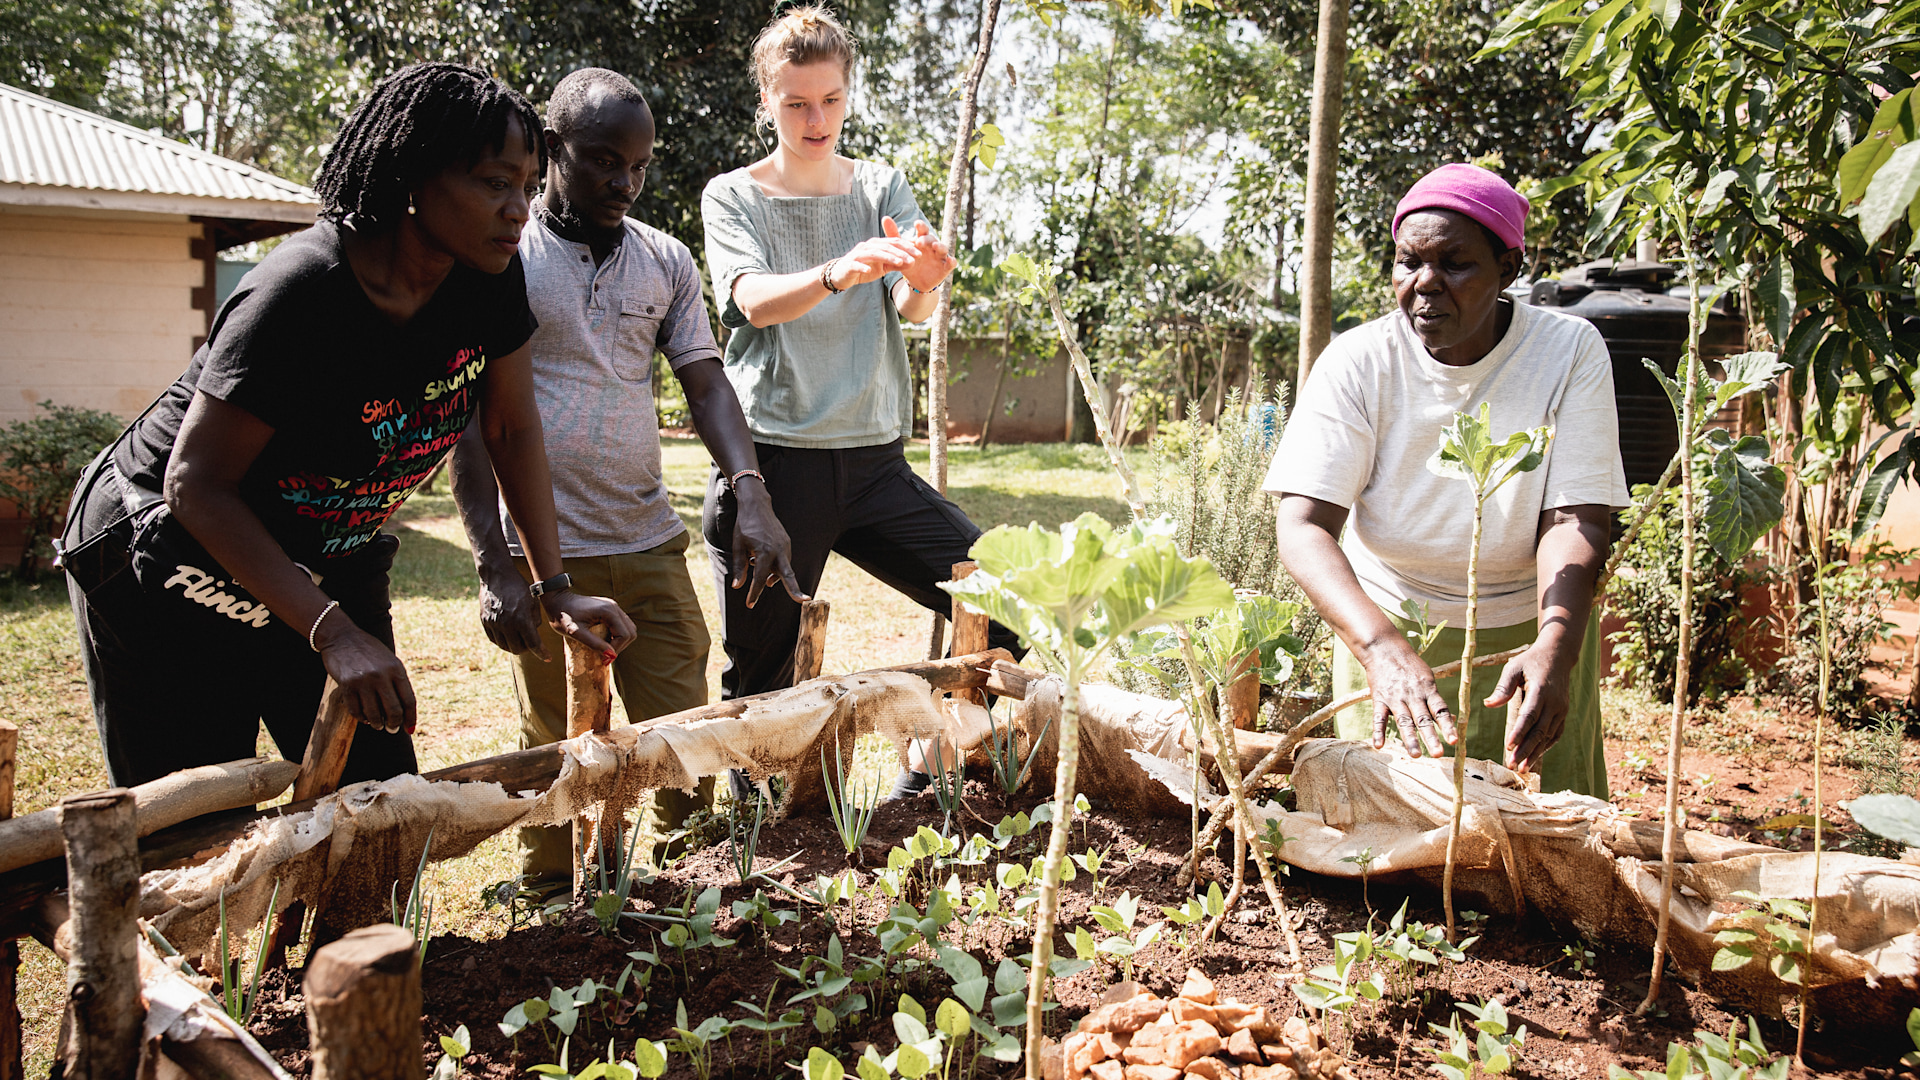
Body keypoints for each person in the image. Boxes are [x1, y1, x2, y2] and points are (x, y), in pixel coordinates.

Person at [60, 63, 636, 789]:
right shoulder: (300, 292)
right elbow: (195, 483)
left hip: (325, 553)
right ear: (411, 180)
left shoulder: (489, 280)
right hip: (172, 555)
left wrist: (555, 586)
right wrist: (330, 631)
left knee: (380, 810)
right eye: (495, 183)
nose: (520, 209)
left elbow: (512, 432)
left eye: (526, 185)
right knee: (199, 822)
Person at [451, 68, 804, 889]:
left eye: (639, 166)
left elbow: (707, 381)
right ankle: (547, 891)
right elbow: (470, 416)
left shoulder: (666, 261)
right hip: (542, 557)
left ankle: (691, 876)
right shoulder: (504, 256)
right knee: (554, 742)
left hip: (647, 539)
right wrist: (493, 562)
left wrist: (751, 489)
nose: (625, 183)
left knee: (684, 734)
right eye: (604, 161)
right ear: (552, 150)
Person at [700, 4, 1021, 796]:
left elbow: (910, 311)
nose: (818, 119)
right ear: (766, 101)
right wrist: (840, 270)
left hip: (875, 466)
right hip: (772, 471)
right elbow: (751, 303)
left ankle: (928, 765)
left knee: (1005, 610)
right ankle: (754, 847)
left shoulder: (879, 185)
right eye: (797, 102)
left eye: (832, 100)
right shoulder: (732, 196)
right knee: (762, 684)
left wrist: (925, 283)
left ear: (849, 94)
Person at [1265, 163, 1628, 798]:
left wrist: (1557, 646)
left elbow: (1577, 519)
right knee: (1384, 838)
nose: (1425, 284)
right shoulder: (1359, 363)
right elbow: (1302, 526)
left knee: (1545, 843)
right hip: (1391, 623)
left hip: (1535, 627)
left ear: (1508, 269)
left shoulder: (1566, 351)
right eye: (1409, 262)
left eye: (1456, 263)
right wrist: (1378, 648)